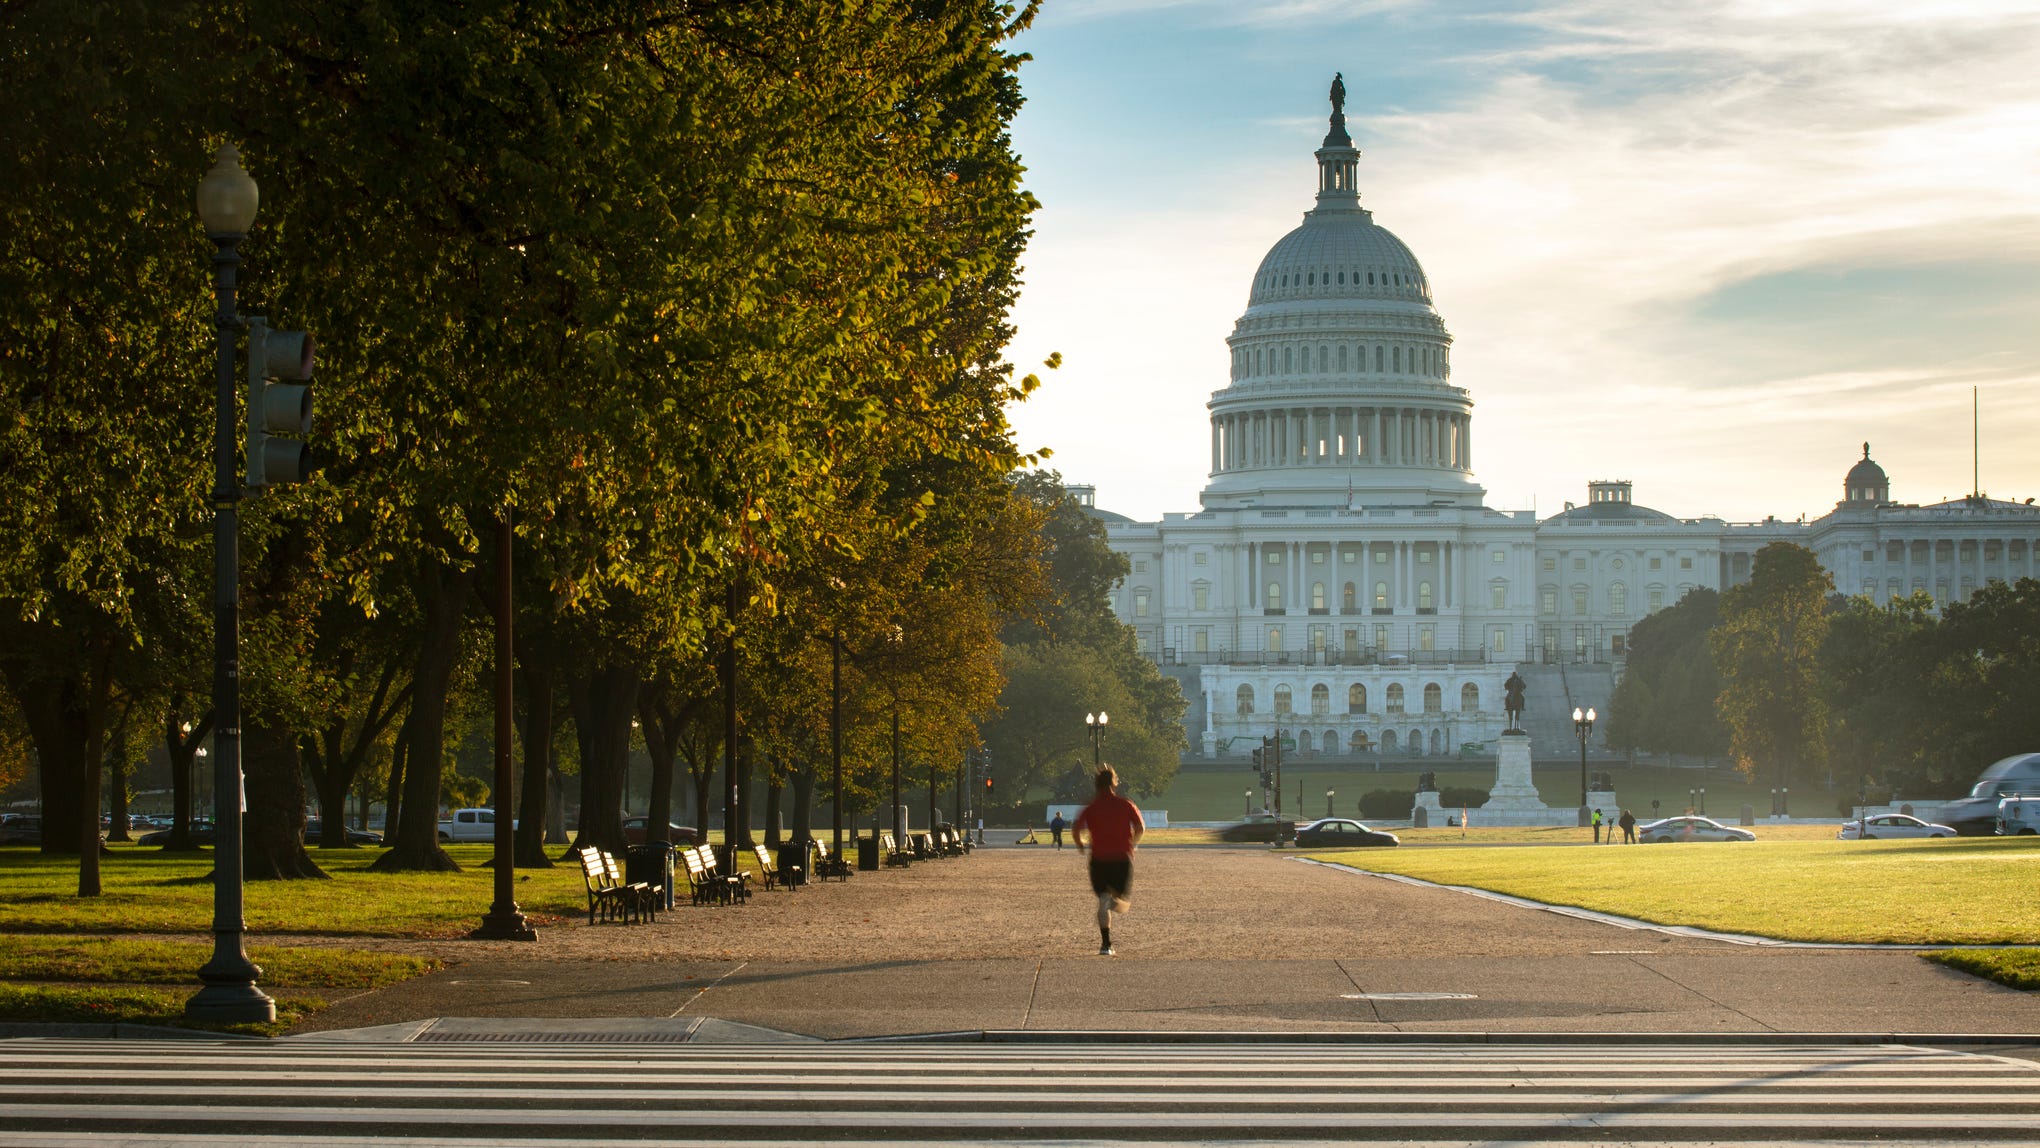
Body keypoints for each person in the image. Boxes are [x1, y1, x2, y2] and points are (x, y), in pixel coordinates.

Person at [1073, 765, 1145, 956]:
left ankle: (1106, 945)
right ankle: (1107, 937)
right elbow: (1140, 827)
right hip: (1121, 859)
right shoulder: (1126, 804)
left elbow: (1076, 829)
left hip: (1099, 860)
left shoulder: (1091, 807)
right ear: (1114, 782)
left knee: (1104, 900)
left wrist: (1080, 845)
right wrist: (1134, 843)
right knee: (1122, 904)